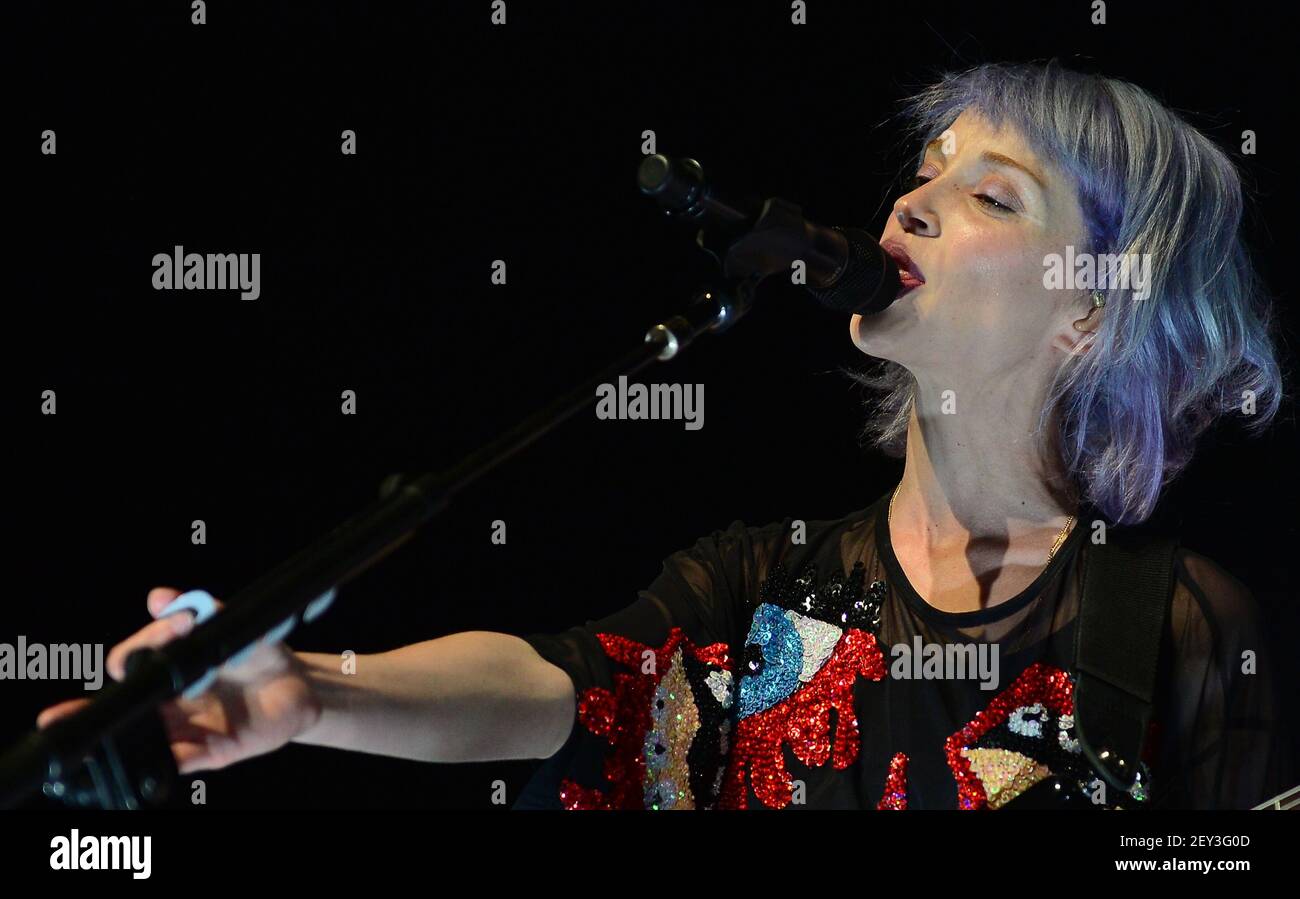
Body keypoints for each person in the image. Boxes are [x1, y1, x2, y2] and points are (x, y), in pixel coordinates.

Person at [37, 61, 1291, 810]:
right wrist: (311, 688)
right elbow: (566, 686)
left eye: (987, 194)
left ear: (1084, 305)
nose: (908, 200)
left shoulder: (1174, 622)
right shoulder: (760, 588)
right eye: (922, 170)